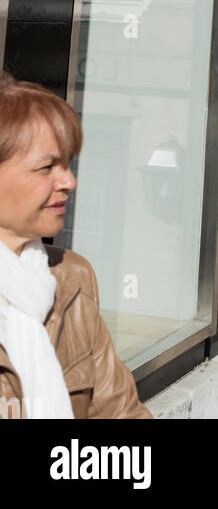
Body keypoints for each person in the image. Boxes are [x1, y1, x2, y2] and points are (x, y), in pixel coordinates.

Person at [0, 72, 151, 419]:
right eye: (46, 167)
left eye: (67, 164)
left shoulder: (71, 278)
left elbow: (121, 413)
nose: (69, 181)